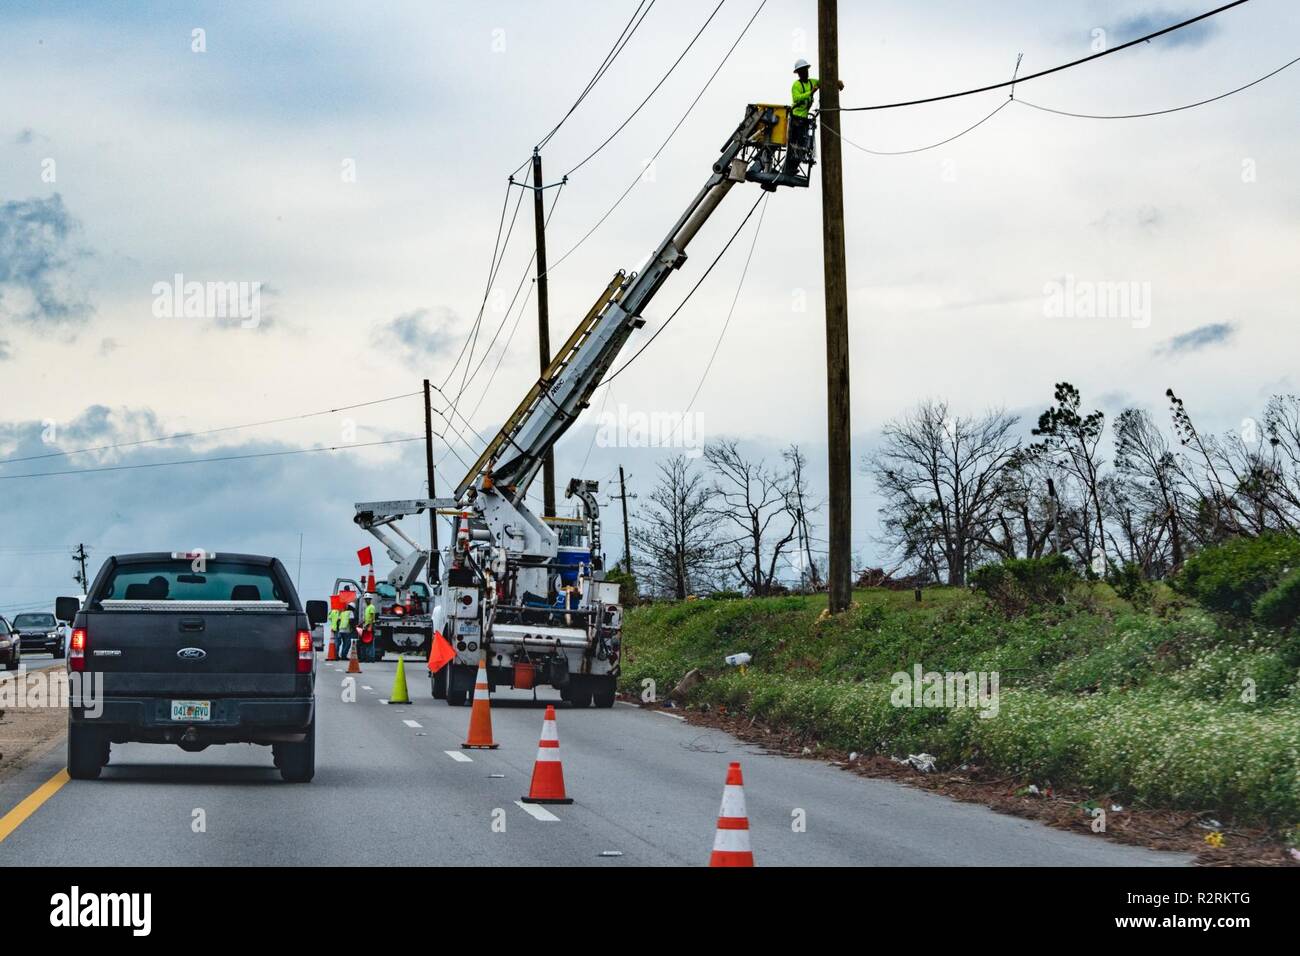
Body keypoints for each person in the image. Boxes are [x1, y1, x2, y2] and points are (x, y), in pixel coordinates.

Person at [785, 58, 844, 175]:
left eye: (805, 70)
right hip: (796, 118)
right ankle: (789, 168)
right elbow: (797, 98)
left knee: (802, 143)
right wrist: (810, 93)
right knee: (794, 144)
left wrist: (837, 82)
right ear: (798, 73)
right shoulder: (796, 85)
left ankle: (793, 167)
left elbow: (825, 82)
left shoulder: (812, 82)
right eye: (802, 71)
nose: (804, 73)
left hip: (804, 119)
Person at [360, 594, 378, 662]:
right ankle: (366, 657)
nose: (366, 600)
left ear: (370, 600)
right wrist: (361, 624)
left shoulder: (371, 607)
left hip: (370, 626)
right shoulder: (367, 607)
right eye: (366, 599)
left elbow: (372, 617)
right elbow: (366, 618)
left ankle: (371, 657)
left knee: (370, 643)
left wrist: (370, 626)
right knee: (365, 642)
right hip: (366, 626)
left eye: (368, 599)